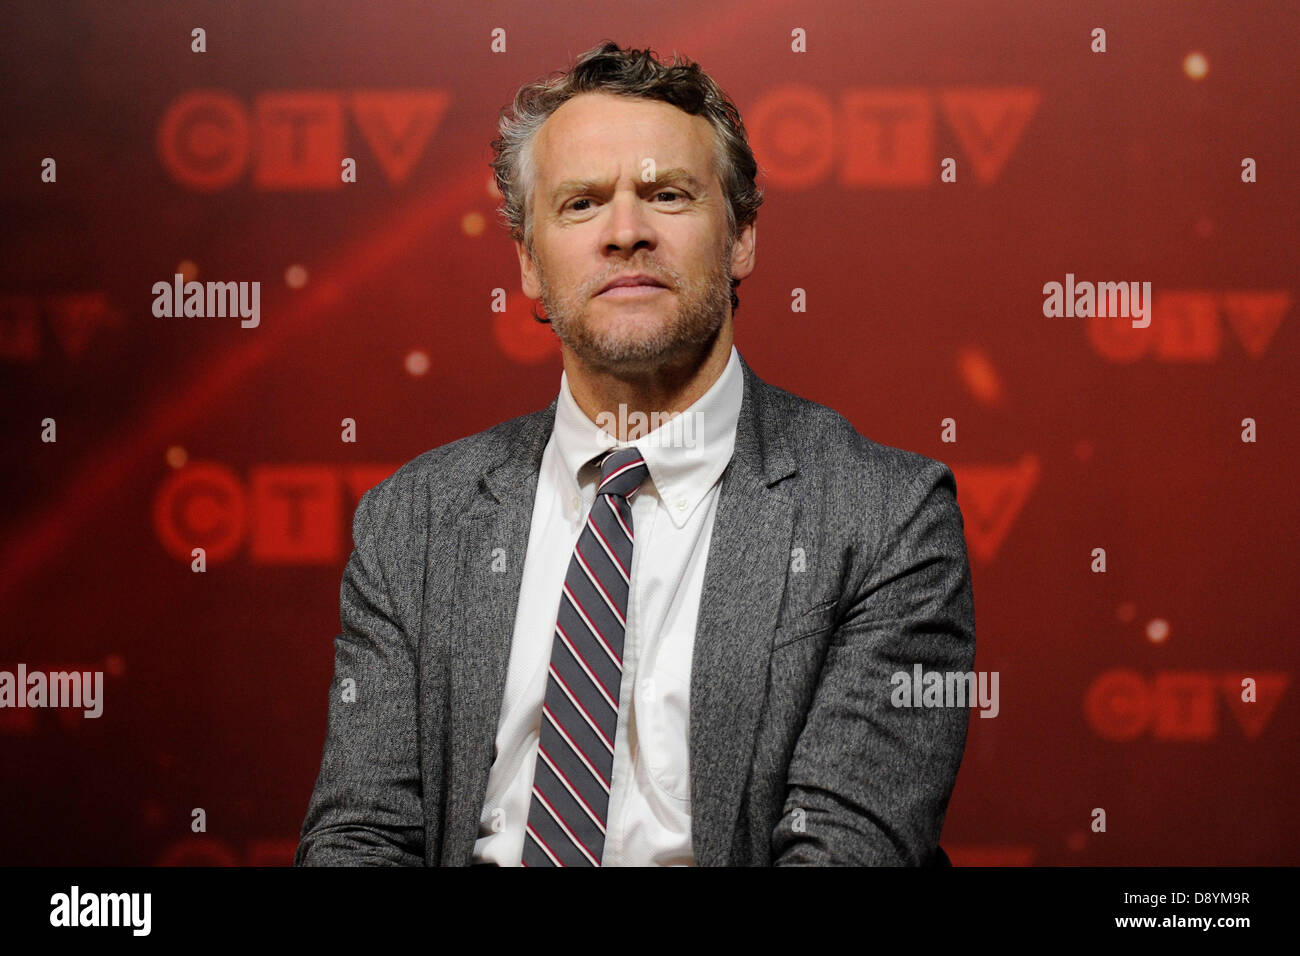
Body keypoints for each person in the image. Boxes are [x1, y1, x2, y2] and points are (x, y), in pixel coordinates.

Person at [295, 40, 976, 867]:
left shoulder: (887, 518)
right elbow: (360, 838)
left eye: (667, 195)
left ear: (741, 241)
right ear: (529, 265)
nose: (626, 233)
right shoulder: (416, 519)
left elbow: (845, 852)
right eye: (581, 204)